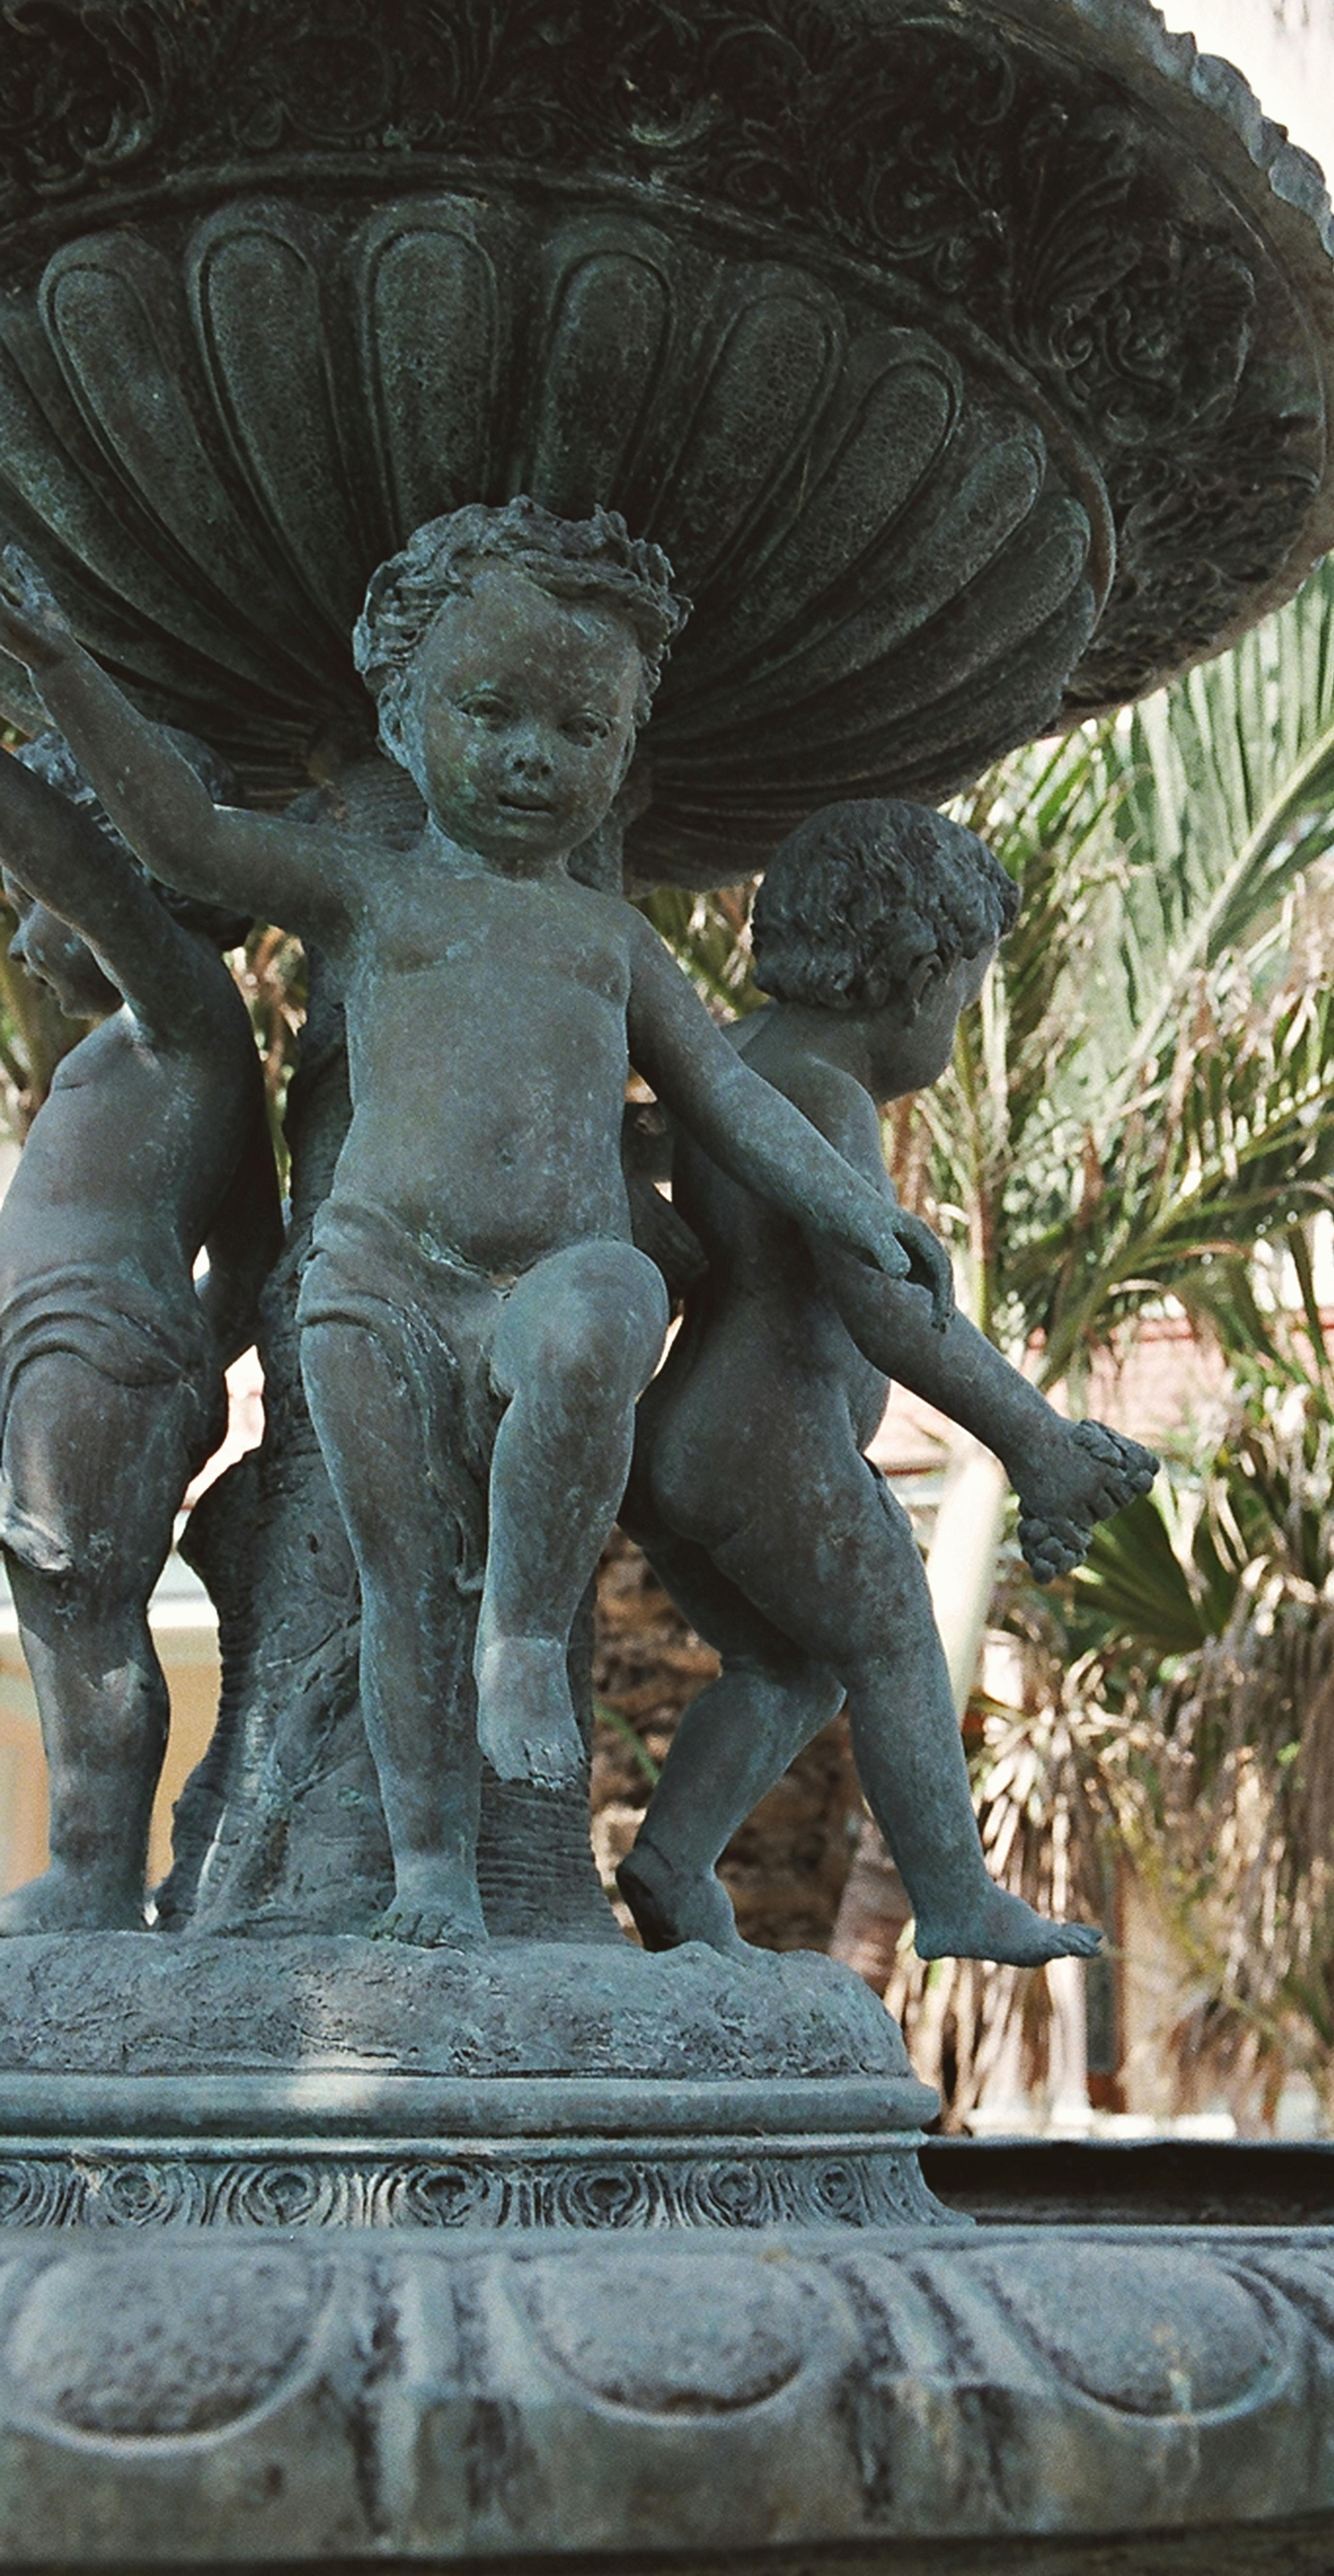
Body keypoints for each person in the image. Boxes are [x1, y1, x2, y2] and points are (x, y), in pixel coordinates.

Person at [0, 506, 951, 1949]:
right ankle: (434, 1872)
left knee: (610, 1307)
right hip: (376, 1283)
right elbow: (174, 835)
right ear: (402, 710)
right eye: (490, 712)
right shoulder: (367, 889)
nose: (531, 756)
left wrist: (857, 1208)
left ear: (625, 748)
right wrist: (55, 660)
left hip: (552, 1270)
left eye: (579, 728)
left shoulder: (607, 939)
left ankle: (527, 1626)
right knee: (396, 1597)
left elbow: (735, 1105)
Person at [618, 798, 1156, 1969]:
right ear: (916, 979)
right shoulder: (822, 1096)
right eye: (967, 995)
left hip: (679, 1443)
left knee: (788, 1665)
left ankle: (670, 1860)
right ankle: (955, 1898)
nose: (958, 1020)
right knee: (896, 1641)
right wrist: (1036, 1440)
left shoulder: (734, 1060)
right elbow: (887, 1313)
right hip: (770, 1443)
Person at [0, 728, 279, 1933]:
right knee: (61, 1615)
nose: (22, 937)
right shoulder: (153, 1041)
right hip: (84, 1353)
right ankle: (92, 1868)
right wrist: (183, 1370)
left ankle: (95, 1872)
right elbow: (257, 1256)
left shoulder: (183, 1005)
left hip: (98, 1352)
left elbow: (78, 859)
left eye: (32, 903)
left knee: (85, 1615)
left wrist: (148, 1369)